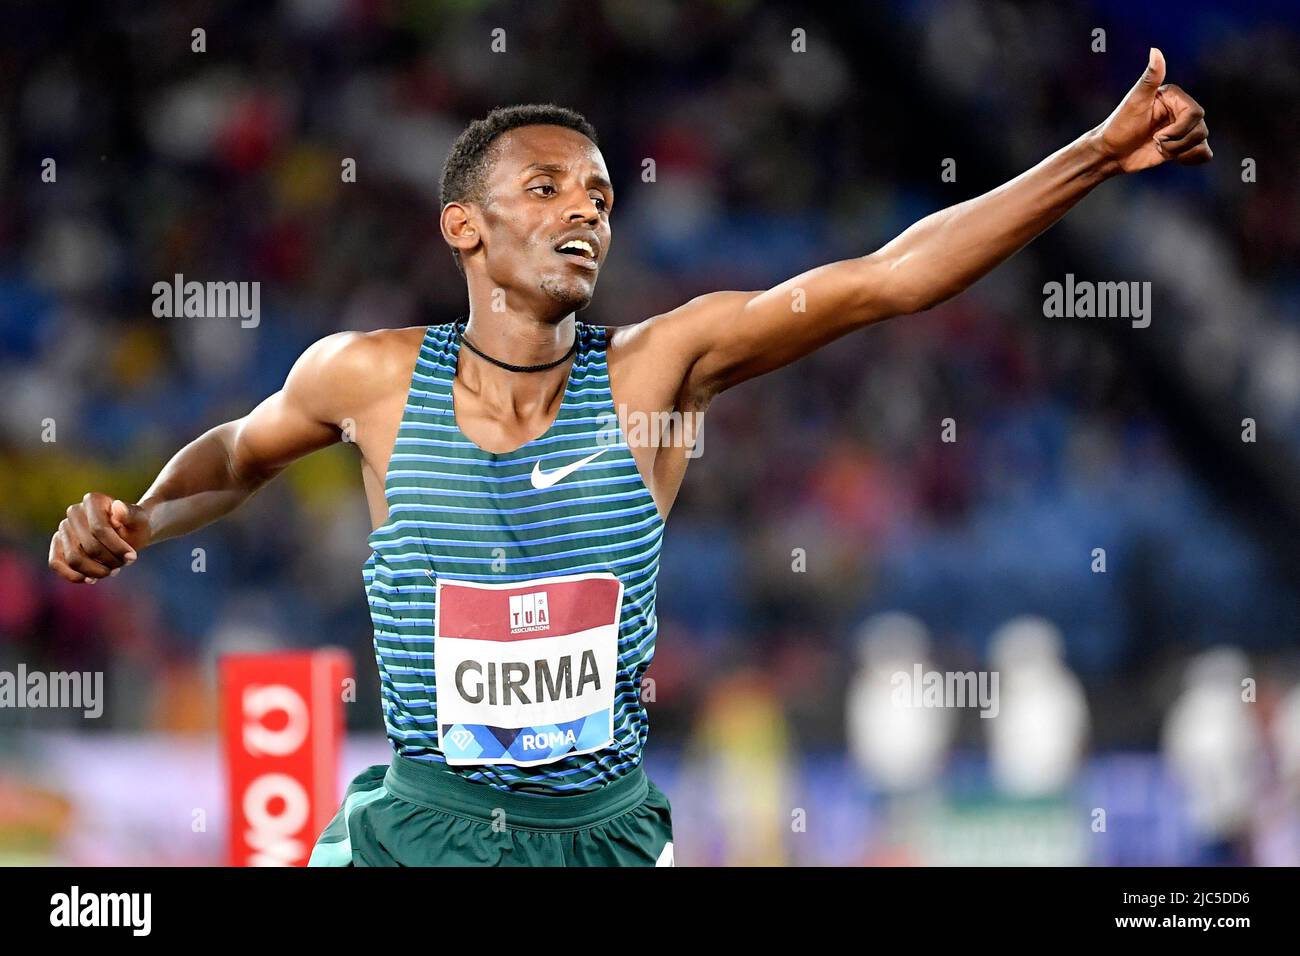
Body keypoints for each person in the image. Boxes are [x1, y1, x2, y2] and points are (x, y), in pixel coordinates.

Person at [47, 49, 1209, 866]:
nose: (582, 212)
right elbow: (238, 454)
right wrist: (141, 519)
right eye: (543, 188)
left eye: (600, 195)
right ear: (465, 225)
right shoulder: (369, 377)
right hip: (420, 827)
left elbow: (891, 277)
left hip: (599, 835)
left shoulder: (663, 367)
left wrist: (1096, 156)